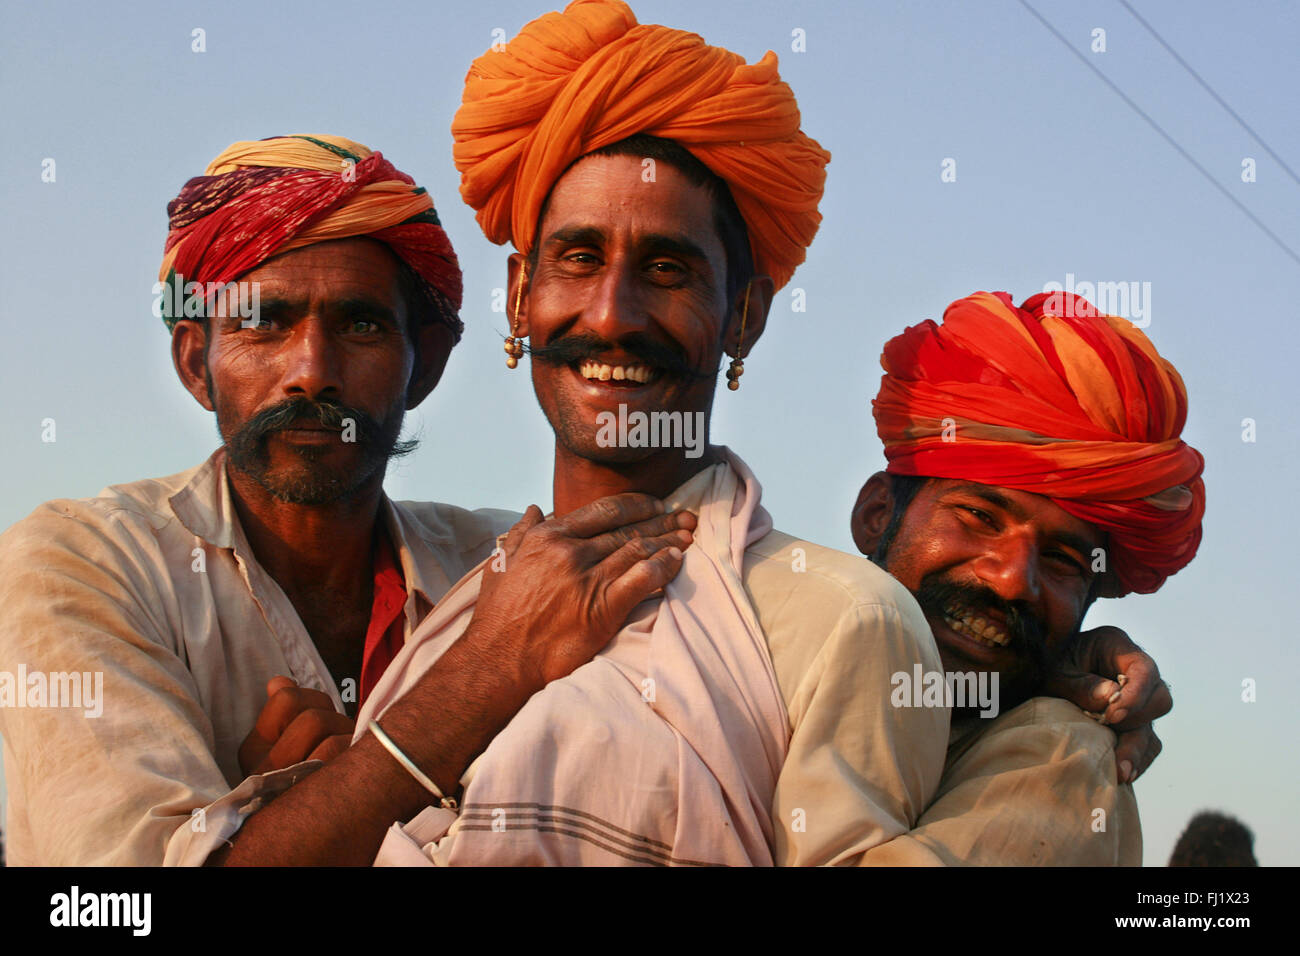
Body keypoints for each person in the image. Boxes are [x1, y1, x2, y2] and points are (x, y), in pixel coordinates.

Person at [353, 0, 946, 867]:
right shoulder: (448, 606)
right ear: (520, 296)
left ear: (743, 317)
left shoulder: (840, 622)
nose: (612, 315)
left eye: (667, 269)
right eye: (579, 258)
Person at [0, 134, 692, 865]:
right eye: (264, 321)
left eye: (359, 324)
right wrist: (487, 671)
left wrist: (318, 807)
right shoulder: (78, 566)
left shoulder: (512, 567)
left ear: (422, 367)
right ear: (195, 366)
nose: (312, 373)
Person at [849, 289, 1203, 864]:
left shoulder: (1059, 754)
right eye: (980, 517)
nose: (1014, 582)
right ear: (876, 516)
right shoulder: (742, 643)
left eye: (1063, 560)